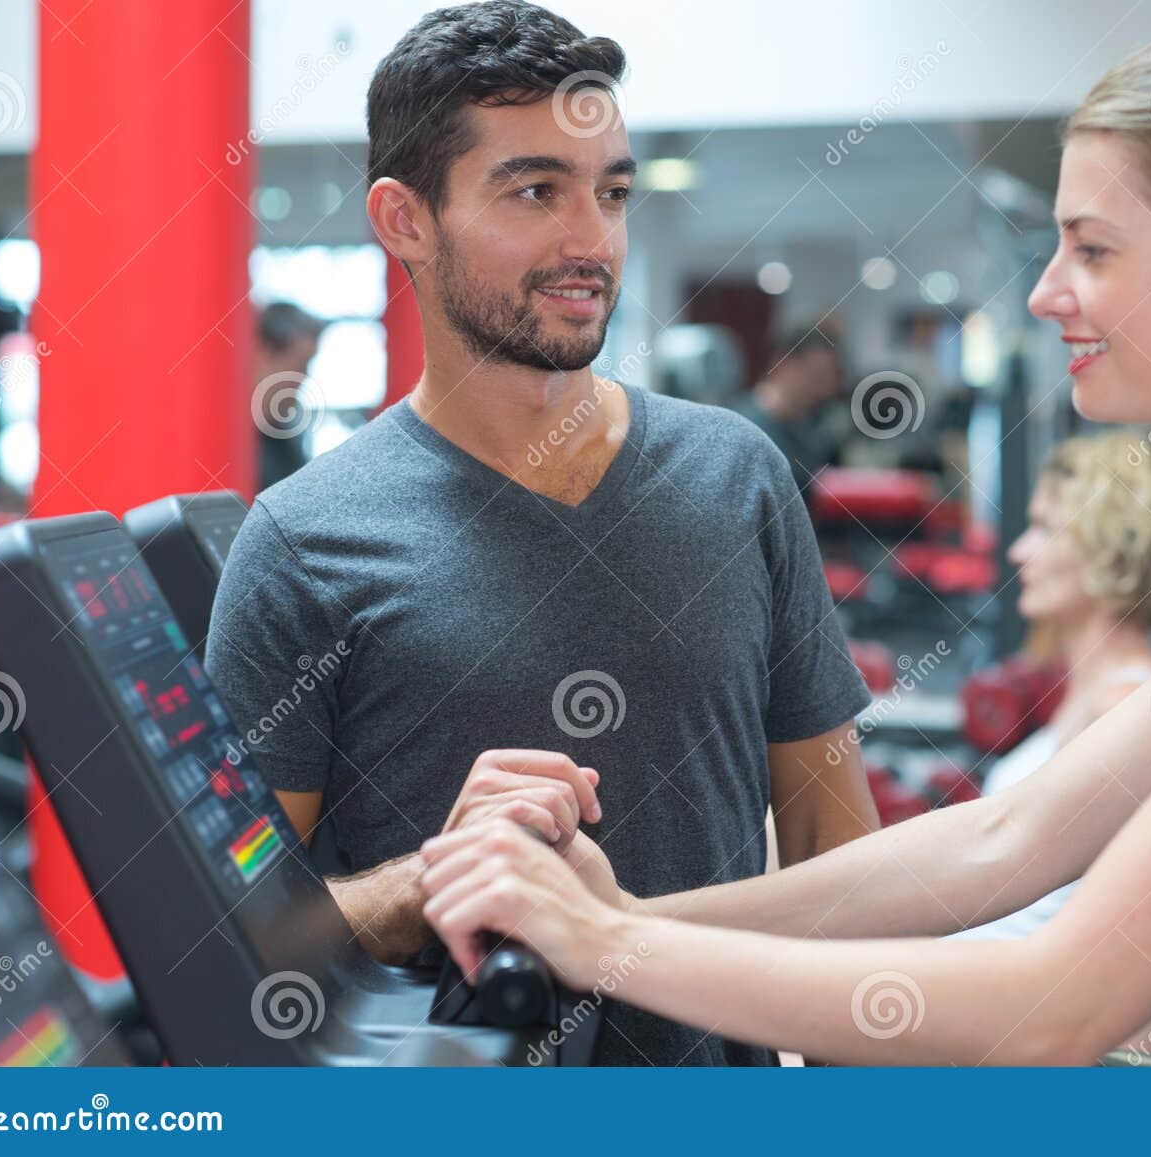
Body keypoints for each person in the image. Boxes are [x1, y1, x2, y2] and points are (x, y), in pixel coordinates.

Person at [419, 29, 1151, 1066]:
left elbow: (1064, 1000)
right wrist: (621, 921)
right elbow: (1004, 840)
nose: (1049, 291)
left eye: (1092, 249)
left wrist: (602, 945)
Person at [206, 1, 879, 1067]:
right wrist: (433, 876)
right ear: (404, 220)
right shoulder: (302, 540)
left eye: (609, 191)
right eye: (534, 191)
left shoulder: (737, 475)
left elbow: (838, 853)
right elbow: (240, 945)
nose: (589, 240)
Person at [953, 431, 1151, 1055]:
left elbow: (1147, 950)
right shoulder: (1091, 696)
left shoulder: (1127, 706)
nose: (1019, 551)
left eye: (1045, 528)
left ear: (1111, 548)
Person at [733, 327, 844, 494]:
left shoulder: (814, 431)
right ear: (783, 363)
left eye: (828, 376)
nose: (826, 388)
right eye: (815, 375)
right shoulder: (743, 426)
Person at [251, 302, 325, 491]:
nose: (305, 377)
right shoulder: (230, 437)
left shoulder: (285, 437)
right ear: (266, 354)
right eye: (302, 364)